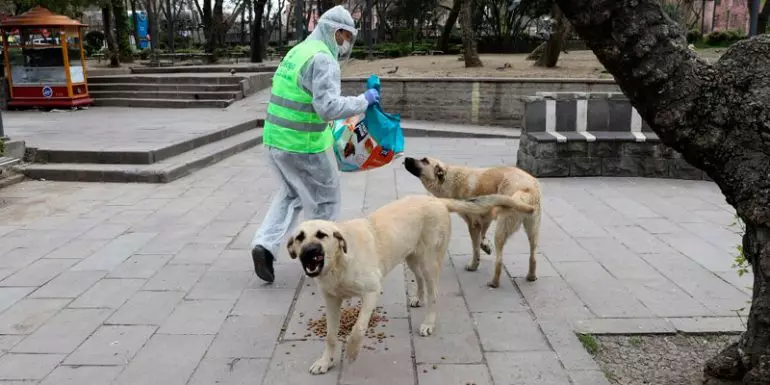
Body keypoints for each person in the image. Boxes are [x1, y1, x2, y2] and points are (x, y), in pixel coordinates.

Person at [250, 5, 380, 283]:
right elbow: (328, 107)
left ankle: (264, 245)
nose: (346, 44)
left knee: (290, 194)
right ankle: (319, 258)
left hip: (275, 140)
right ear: (335, 31)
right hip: (302, 145)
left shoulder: (298, 51)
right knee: (327, 201)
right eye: (345, 36)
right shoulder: (323, 59)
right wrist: (363, 101)